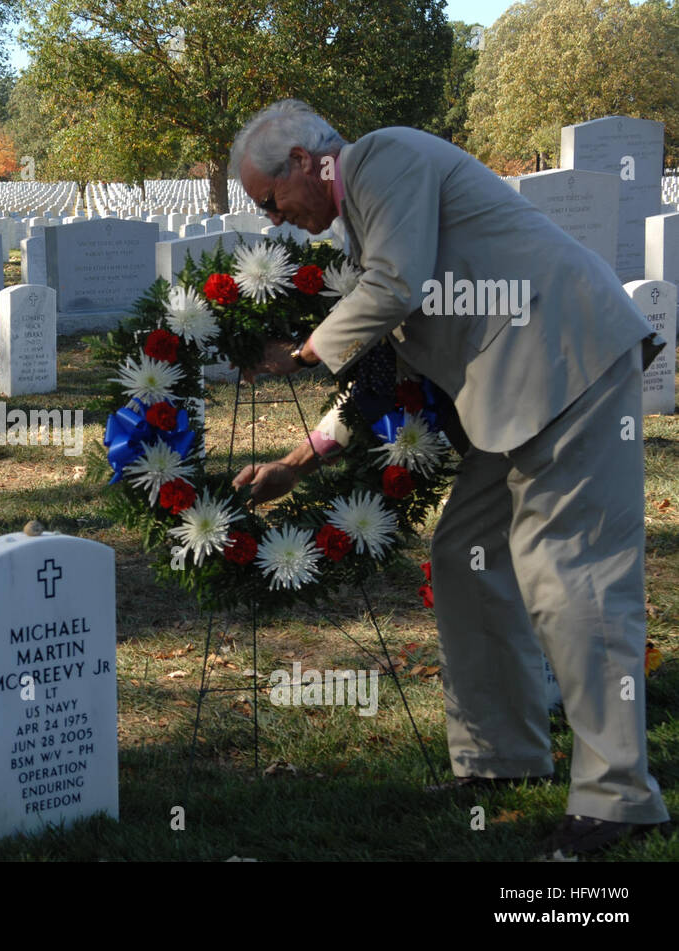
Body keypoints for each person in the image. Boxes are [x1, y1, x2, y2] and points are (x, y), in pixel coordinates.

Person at [228, 99, 669, 858]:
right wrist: (294, 466)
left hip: (569, 360)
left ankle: (618, 795)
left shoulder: (383, 157)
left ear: (303, 161)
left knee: (571, 572)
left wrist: (299, 352)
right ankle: (501, 754)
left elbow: (395, 287)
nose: (273, 222)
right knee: (467, 554)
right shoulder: (370, 206)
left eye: (269, 201)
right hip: (520, 391)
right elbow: (377, 376)